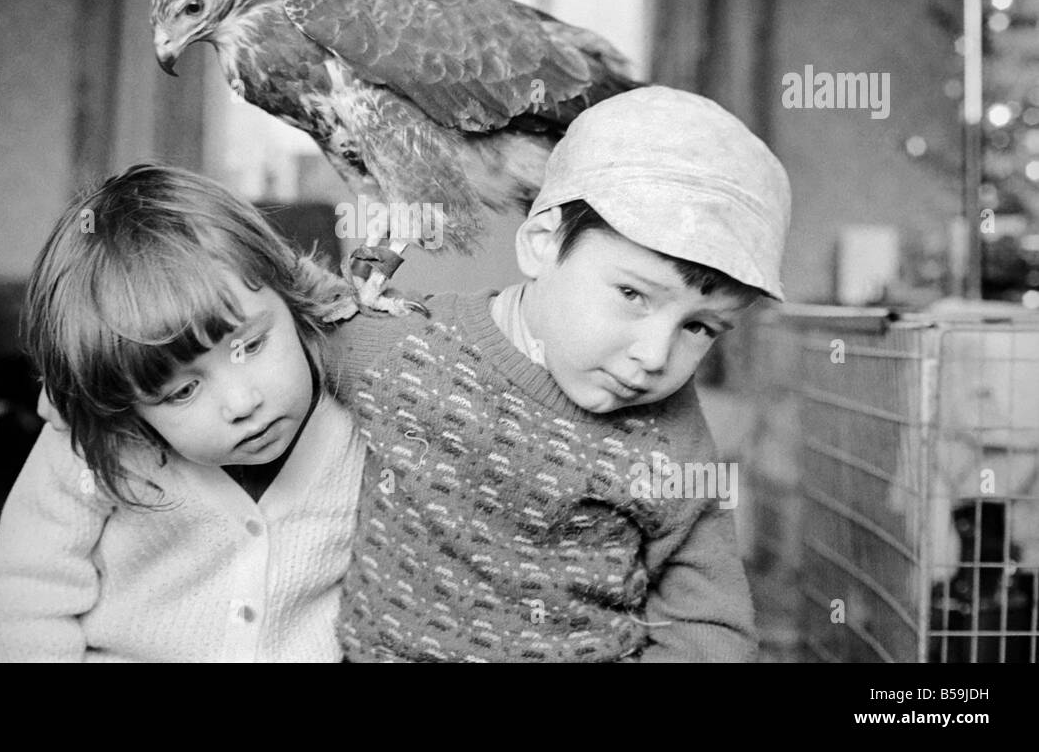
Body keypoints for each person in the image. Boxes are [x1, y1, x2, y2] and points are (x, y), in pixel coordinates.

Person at [331, 85, 791, 662]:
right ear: (543, 244)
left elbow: (710, 632)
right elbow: (258, 335)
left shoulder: (673, 442)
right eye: (633, 294)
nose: (654, 356)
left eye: (700, 327)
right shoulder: (397, 344)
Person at [0, 165, 364, 661]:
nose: (242, 404)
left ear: (288, 298)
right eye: (181, 392)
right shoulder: (96, 443)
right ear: (121, 403)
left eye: (252, 345)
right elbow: (25, 593)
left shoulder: (365, 403)